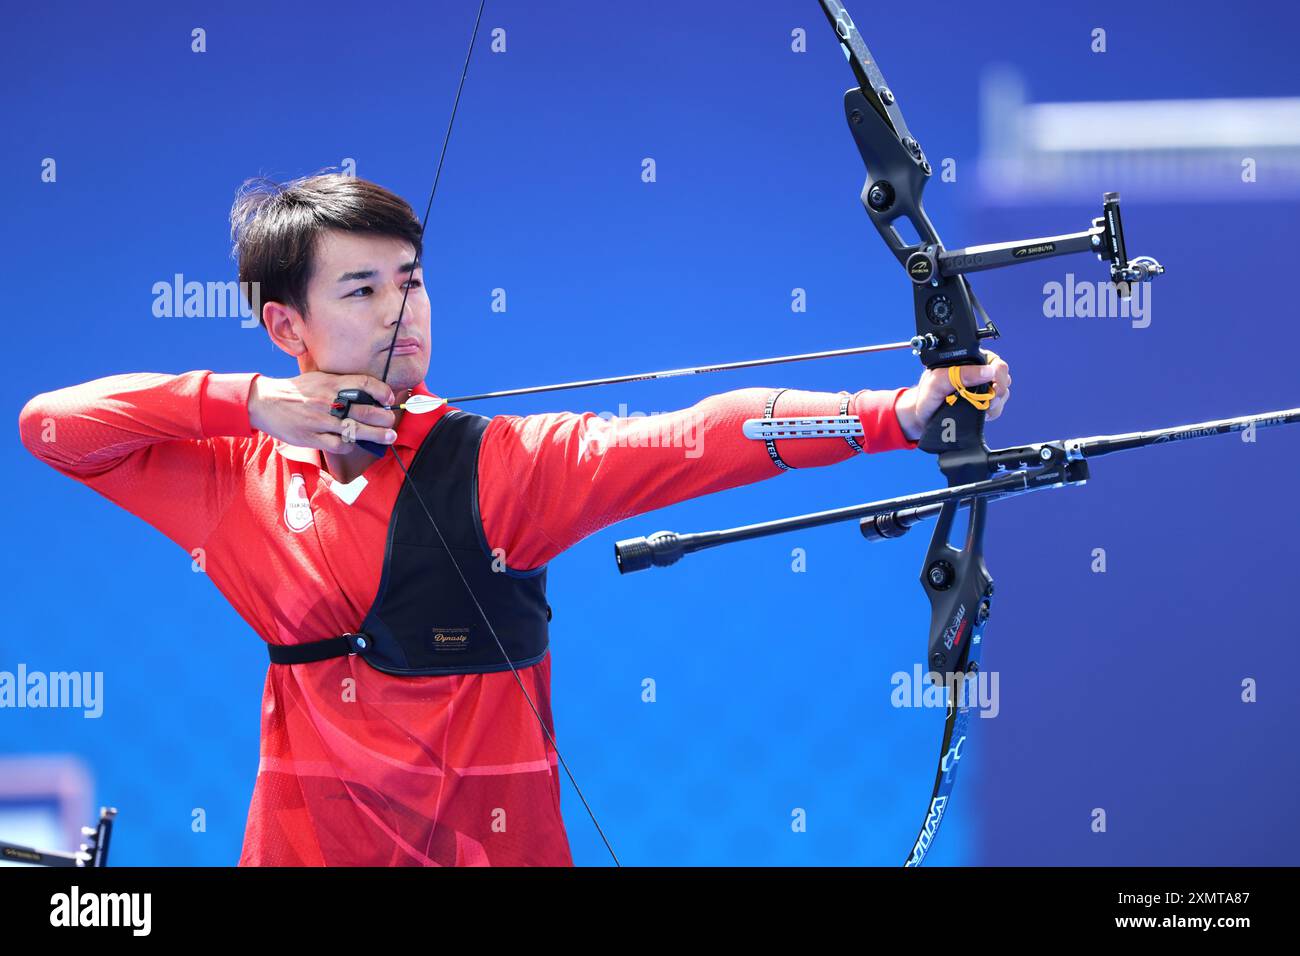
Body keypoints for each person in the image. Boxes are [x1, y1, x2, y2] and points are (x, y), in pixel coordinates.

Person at [17, 173, 1011, 866]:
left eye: (410, 278)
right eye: (361, 288)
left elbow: (693, 436)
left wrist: (902, 412)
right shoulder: (237, 476)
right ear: (286, 326)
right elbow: (51, 426)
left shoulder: (500, 470)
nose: (403, 308)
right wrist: (245, 400)